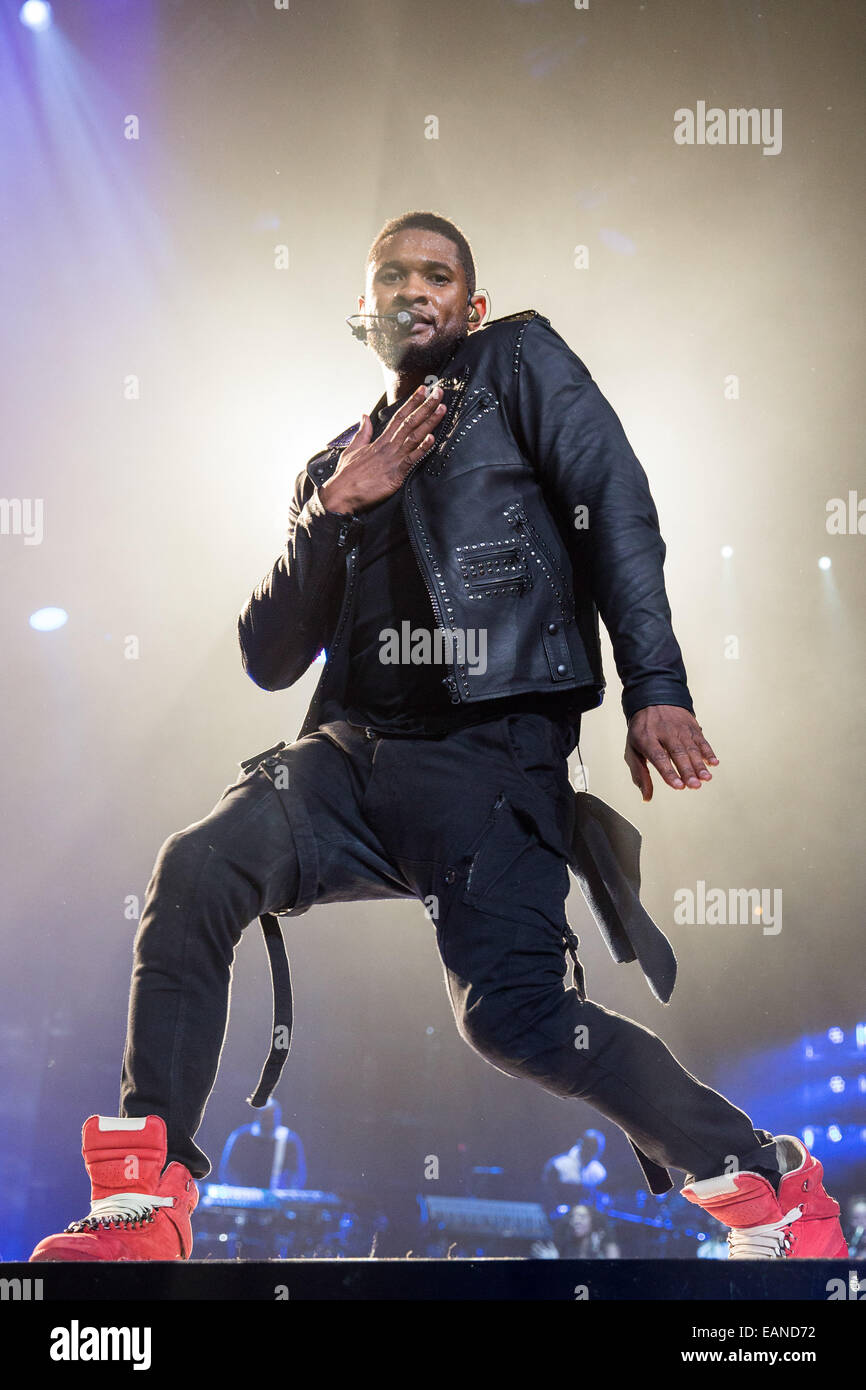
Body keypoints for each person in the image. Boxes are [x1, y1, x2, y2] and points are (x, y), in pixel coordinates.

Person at [30, 211, 847, 1263]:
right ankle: (142, 1211)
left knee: (512, 1021)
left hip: (490, 757)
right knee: (194, 868)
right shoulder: (329, 463)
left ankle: (767, 1184)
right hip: (348, 767)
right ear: (359, 313)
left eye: (437, 273)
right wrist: (332, 510)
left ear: (474, 302)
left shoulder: (517, 364)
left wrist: (654, 684)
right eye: (389, 276)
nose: (413, 288)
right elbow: (269, 656)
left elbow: (617, 503)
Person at [531, 1204, 620, 1260]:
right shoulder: (566, 1246)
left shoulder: (604, 1244)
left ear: (593, 1221)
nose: (576, 1221)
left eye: (582, 1216)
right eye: (573, 1217)